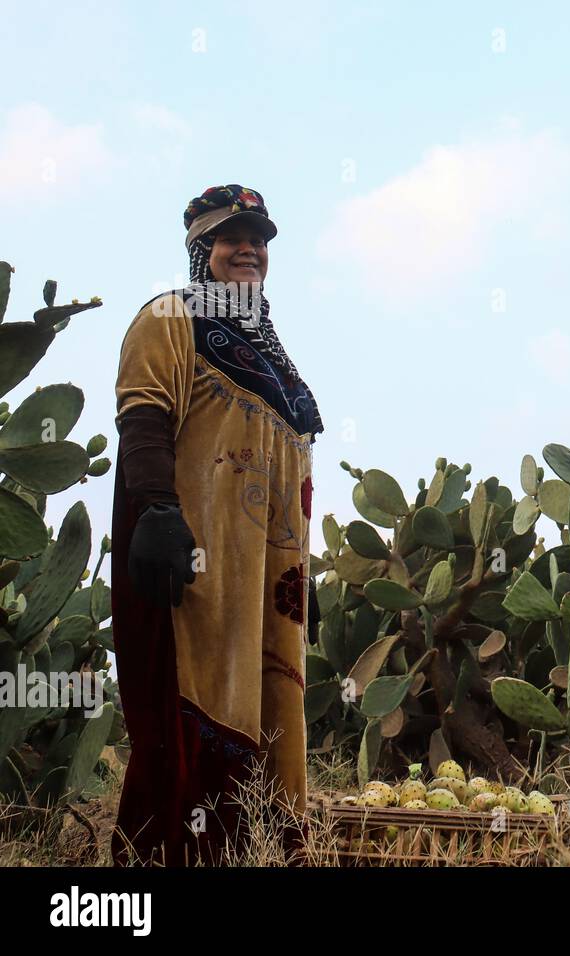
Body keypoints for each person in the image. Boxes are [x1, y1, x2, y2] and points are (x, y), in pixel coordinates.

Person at [110, 184, 324, 865]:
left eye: (259, 239)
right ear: (201, 248)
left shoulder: (274, 357)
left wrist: (299, 573)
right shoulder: (170, 319)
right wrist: (158, 514)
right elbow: (144, 416)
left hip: (269, 583)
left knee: (273, 716)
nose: (250, 250)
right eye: (234, 238)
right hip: (199, 568)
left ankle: (260, 852)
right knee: (201, 705)